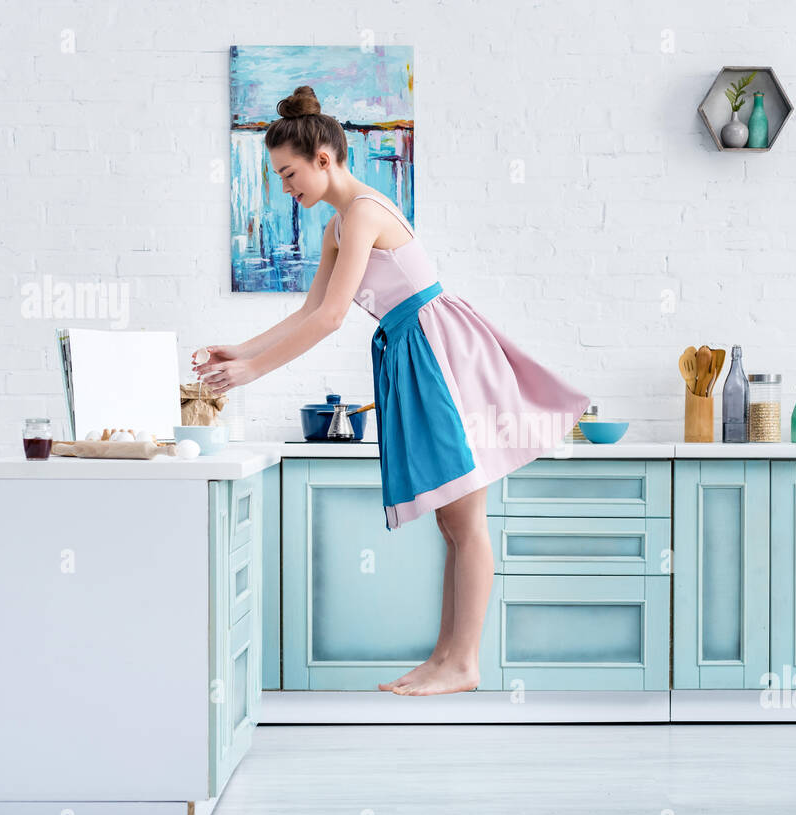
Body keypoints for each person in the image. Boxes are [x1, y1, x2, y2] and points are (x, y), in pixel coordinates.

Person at [195, 85, 589, 696]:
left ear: (324, 159)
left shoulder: (365, 214)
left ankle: (464, 662)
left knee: (467, 516)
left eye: (289, 173)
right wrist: (239, 350)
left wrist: (252, 374)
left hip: (440, 356)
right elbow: (309, 311)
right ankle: (446, 656)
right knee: (453, 524)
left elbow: (330, 321)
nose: (286, 187)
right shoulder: (337, 229)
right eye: (278, 177)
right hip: (414, 355)